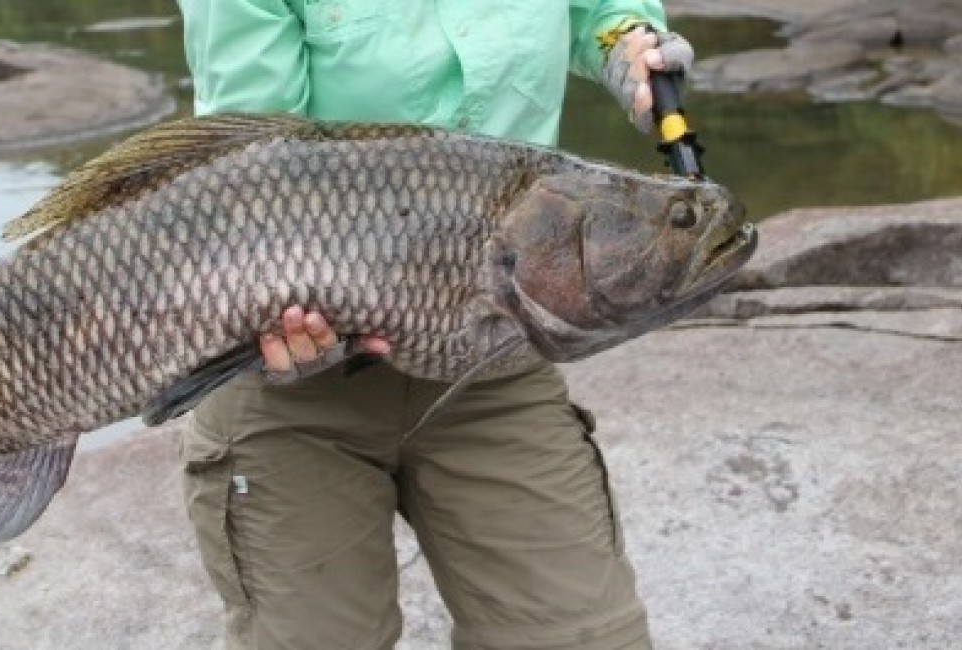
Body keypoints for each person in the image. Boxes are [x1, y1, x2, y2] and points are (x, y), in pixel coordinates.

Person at [174, 3, 694, 648]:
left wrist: (626, 50)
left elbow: (603, 13)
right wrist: (274, 320)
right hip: (290, 400)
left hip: (494, 369)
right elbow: (247, 166)